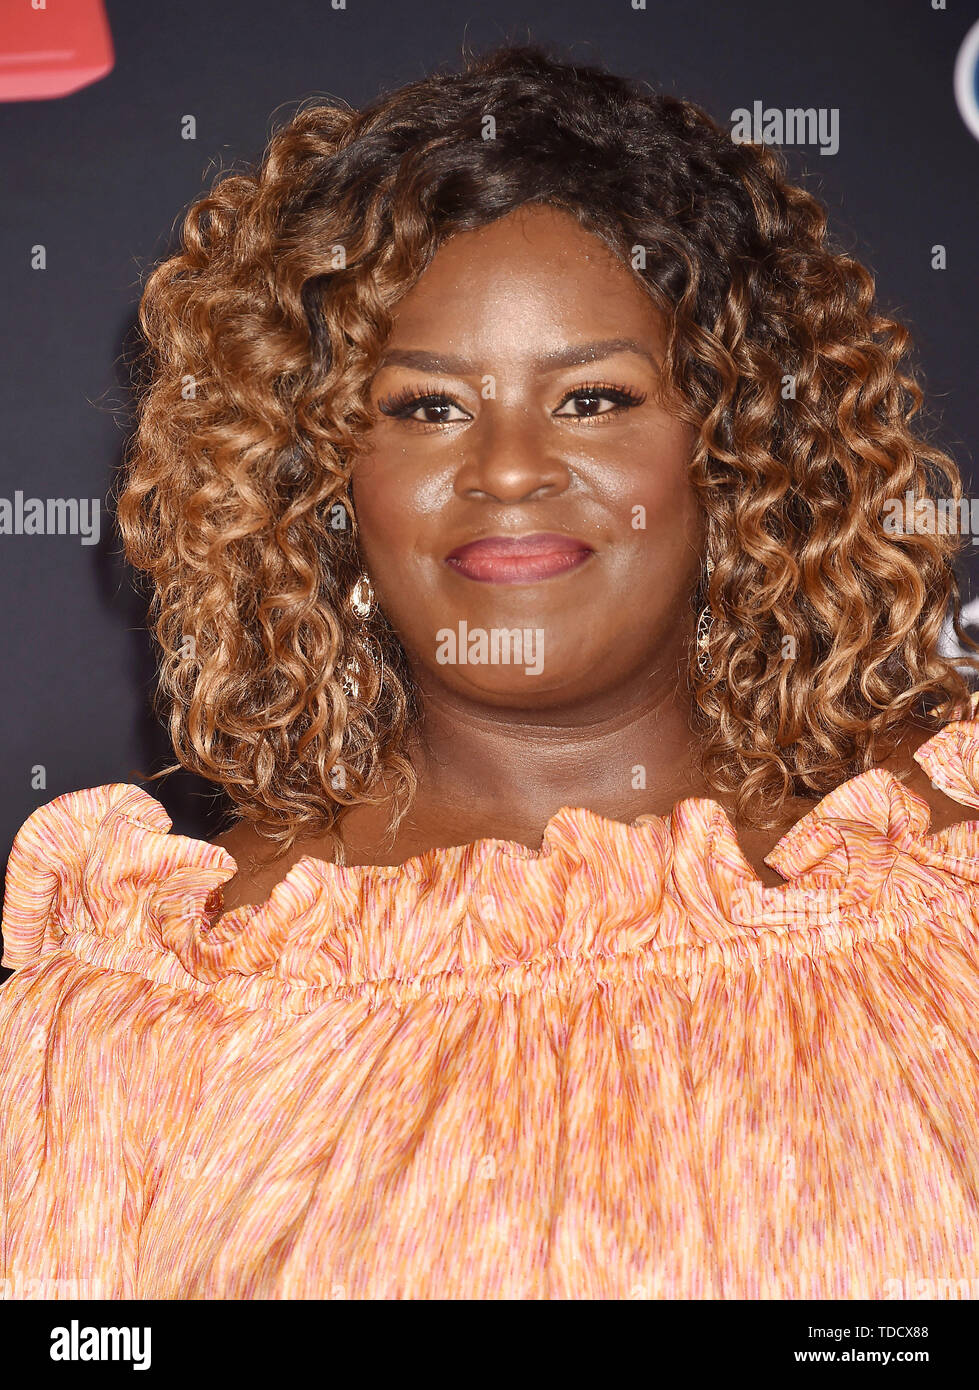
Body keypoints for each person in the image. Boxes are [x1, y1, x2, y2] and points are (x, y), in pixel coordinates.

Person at [3, 43, 979, 1301]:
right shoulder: (162, 1009)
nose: (509, 468)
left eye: (592, 398)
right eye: (426, 407)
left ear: (738, 448)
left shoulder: (946, 914)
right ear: (327, 483)